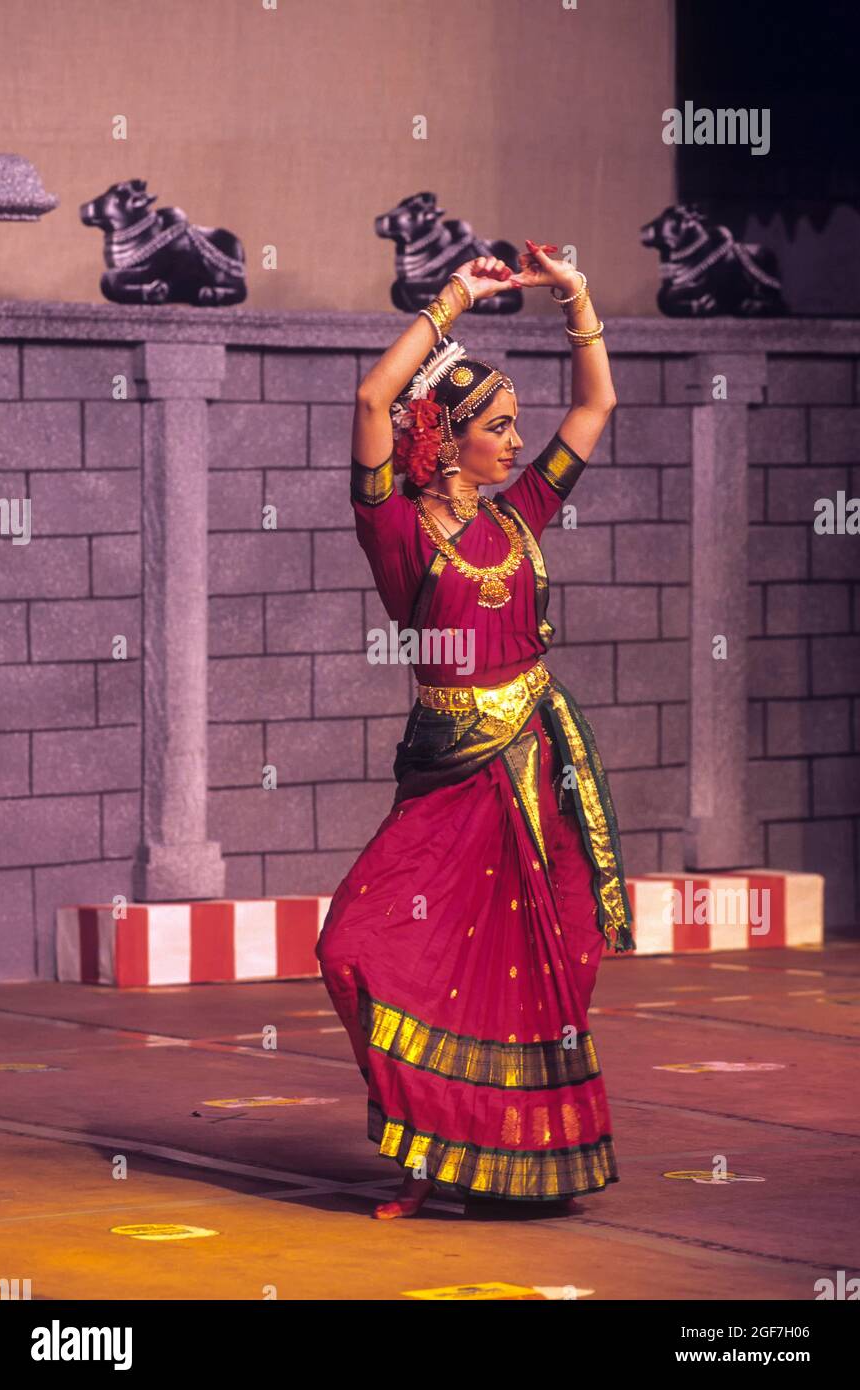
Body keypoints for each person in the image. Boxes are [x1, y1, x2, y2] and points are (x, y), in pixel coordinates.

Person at [316, 240, 635, 1220]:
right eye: (498, 426)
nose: (516, 438)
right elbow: (374, 401)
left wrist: (576, 295)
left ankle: (478, 1161)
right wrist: (452, 299)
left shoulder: (525, 516)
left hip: (532, 774)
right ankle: (428, 1134)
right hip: (448, 779)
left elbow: (597, 407)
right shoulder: (400, 530)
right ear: (449, 439)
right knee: (356, 946)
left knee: (537, 962)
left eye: (514, 426)